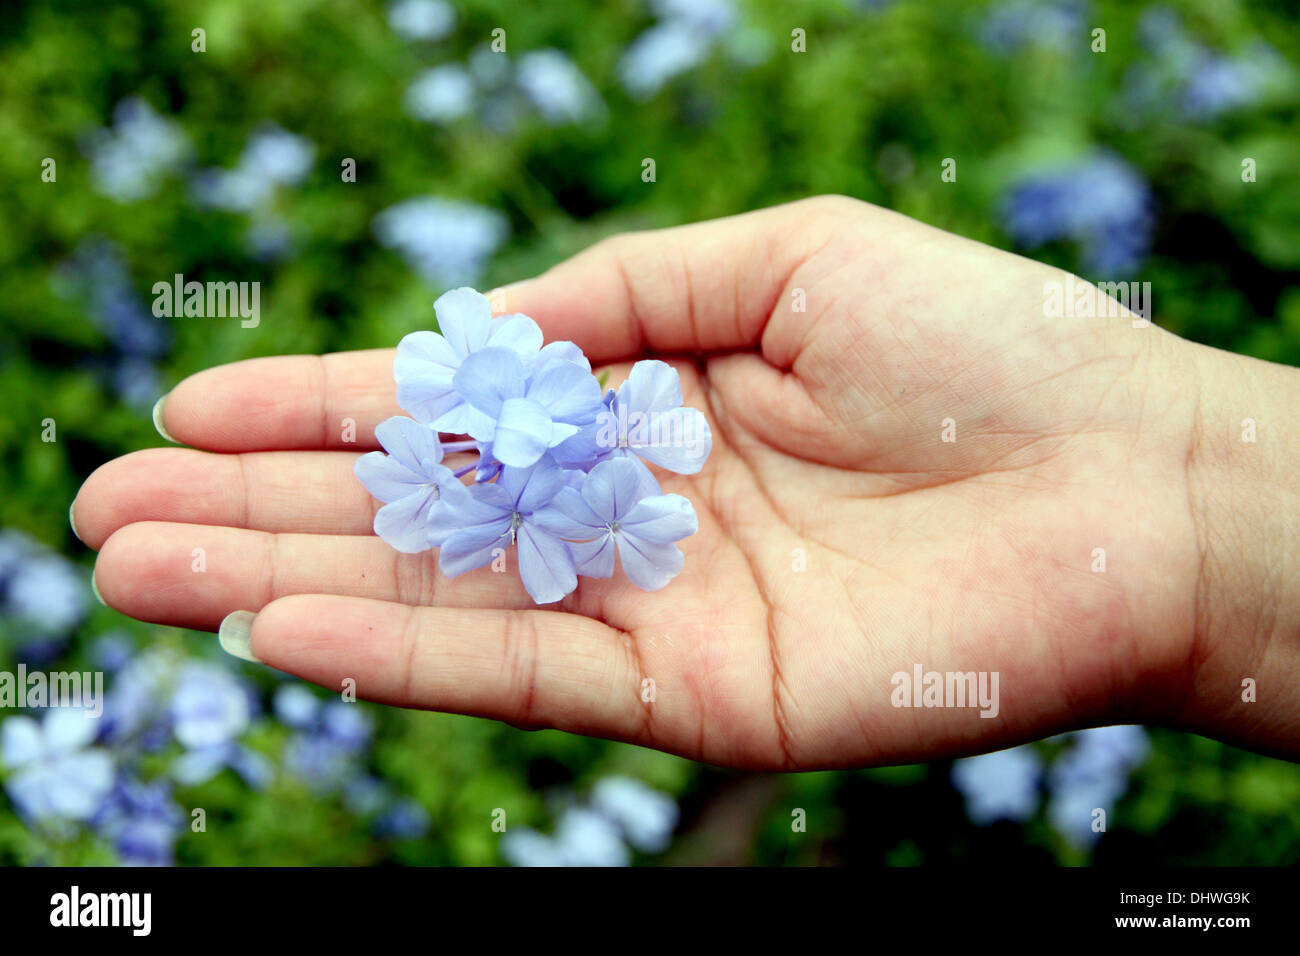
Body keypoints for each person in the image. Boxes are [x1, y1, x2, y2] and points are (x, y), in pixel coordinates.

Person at [70, 196, 1300, 769]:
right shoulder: (495, 447)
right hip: (550, 482)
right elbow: (499, 477)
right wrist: (1190, 507)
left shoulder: (593, 435)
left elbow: (548, 466)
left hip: (582, 471)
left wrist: (1185, 482)